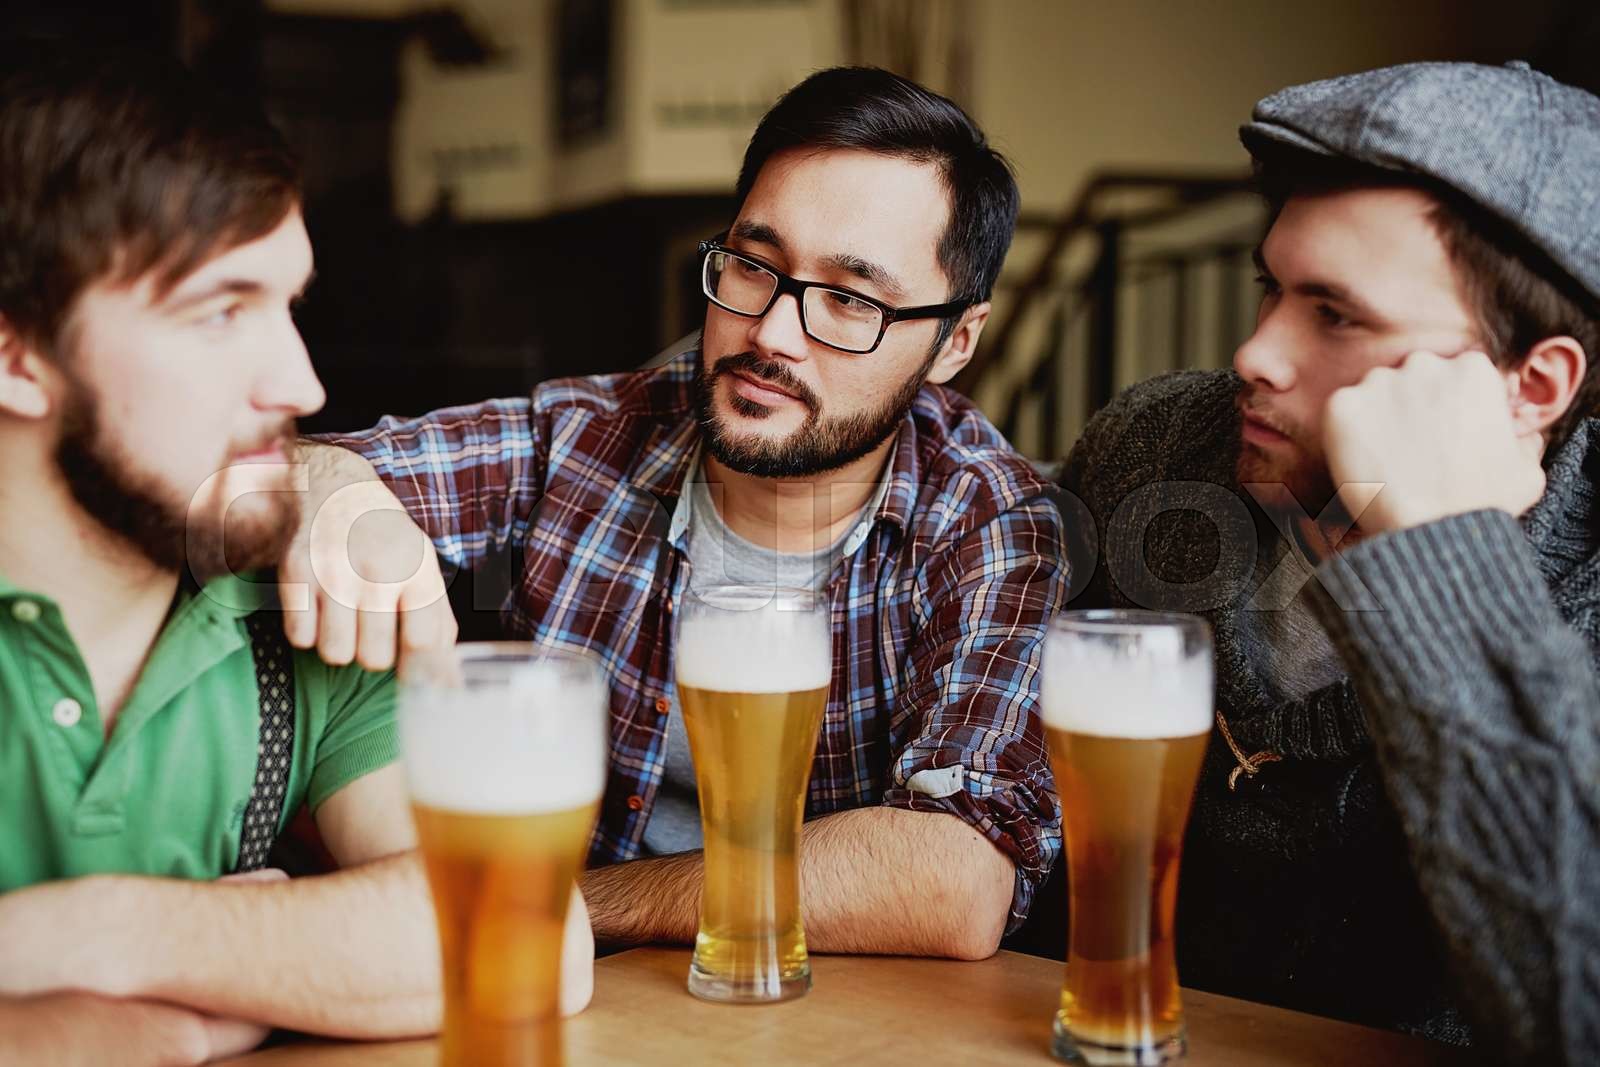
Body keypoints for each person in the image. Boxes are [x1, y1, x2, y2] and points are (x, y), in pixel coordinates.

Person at [294, 67, 1069, 957]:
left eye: (849, 300)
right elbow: (257, 482)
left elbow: (958, 875)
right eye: (753, 265)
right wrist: (345, 492)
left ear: (953, 343)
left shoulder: (991, 521)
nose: (772, 335)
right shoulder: (597, 435)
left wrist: (554, 906)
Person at [0, 47, 590, 1065]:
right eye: (222, 310)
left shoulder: (310, 609)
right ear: (17, 353)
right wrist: (191, 1008)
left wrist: (95, 935)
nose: (303, 381)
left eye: (288, 307)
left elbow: (526, 941)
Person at [1059, 61, 1600, 1064]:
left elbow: (1576, 1003)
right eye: (1270, 286)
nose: (1254, 353)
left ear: (1532, 384)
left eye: (1335, 314)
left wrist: (1442, 554)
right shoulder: (1160, 446)